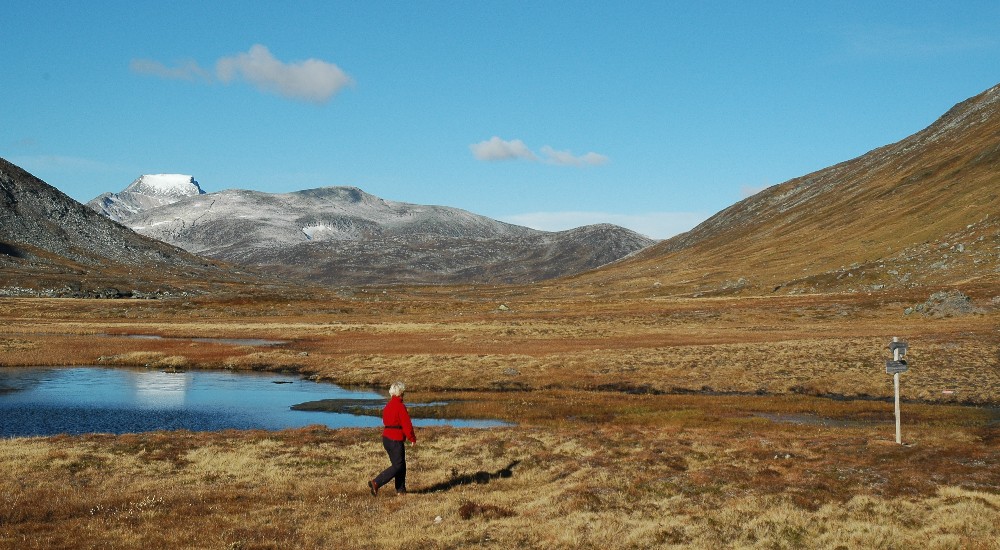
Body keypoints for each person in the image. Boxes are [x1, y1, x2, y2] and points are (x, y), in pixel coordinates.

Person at [368, 381, 416, 496]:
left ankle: (401, 490)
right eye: (403, 392)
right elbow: (406, 424)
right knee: (398, 465)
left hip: (386, 438)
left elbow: (384, 421)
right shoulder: (400, 406)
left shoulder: (387, 406)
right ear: (400, 393)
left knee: (400, 464)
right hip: (395, 439)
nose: (404, 394)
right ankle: (376, 482)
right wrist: (412, 438)